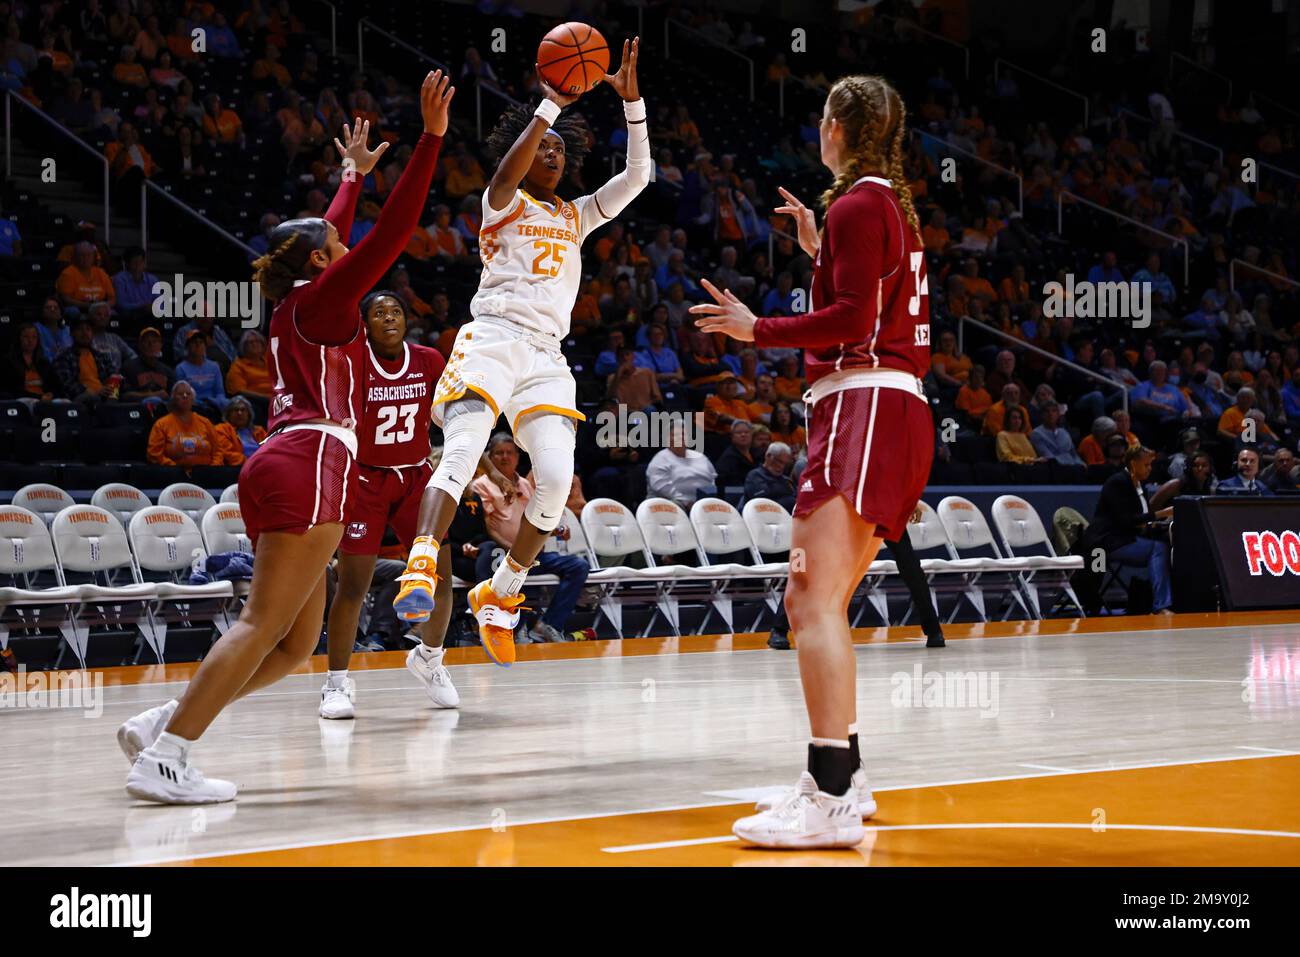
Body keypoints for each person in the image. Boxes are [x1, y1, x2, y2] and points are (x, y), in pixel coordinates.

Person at [116, 72, 452, 804]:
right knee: (262, 621)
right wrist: (430, 141)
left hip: (282, 460)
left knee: (296, 643)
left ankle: (166, 722)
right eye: (337, 241)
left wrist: (350, 178)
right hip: (313, 460)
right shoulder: (328, 298)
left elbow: (325, 233)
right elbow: (392, 235)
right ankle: (168, 756)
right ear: (324, 263)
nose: (344, 239)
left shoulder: (297, 300)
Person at [691, 74, 933, 848]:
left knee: (808, 600)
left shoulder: (860, 205)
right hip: (885, 409)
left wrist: (752, 326)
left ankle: (828, 796)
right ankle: (844, 778)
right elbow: (872, 300)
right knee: (823, 601)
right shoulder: (880, 207)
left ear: (836, 124)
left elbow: (853, 319)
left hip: (863, 406)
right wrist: (819, 248)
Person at [392, 40, 648, 668]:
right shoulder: (502, 202)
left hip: (545, 356)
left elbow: (638, 177)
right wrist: (549, 108)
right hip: (493, 337)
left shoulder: (577, 215)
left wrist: (632, 102)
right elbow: (507, 172)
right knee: (460, 449)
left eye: (561, 150)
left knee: (556, 480)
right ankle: (421, 563)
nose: (553, 156)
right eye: (545, 148)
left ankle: (501, 594)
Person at [322, 291, 495, 717]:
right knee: (353, 585)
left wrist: (487, 467)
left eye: (395, 311)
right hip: (366, 480)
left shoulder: (429, 361)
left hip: (417, 477)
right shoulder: (352, 361)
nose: (389, 318)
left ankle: (430, 659)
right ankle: (336, 684)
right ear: (364, 323)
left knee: (439, 574)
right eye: (379, 313)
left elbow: (461, 418)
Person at [470, 434, 591, 644]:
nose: (505, 457)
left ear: (517, 457)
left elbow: (537, 520)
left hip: (532, 554)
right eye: (499, 453)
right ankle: (514, 629)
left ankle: (548, 624)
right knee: (518, 570)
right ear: (490, 456)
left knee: (578, 566)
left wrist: (556, 530)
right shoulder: (481, 485)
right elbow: (488, 528)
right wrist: (516, 553)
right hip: (501, 555)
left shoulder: (525, 484)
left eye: (509, 453)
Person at [1083, 445, 1172, 613]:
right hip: (1104, 542)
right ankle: (1161, 606)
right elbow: (1125, 520)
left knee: (1165, 542)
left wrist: (1157, 523)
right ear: (1133, 464)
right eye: (1146, 465)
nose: (1149, 469)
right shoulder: (1118, 482)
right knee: (1159, 549)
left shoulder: (1140, 486)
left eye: (1150, 464)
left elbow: (1138, 521)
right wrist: (1160, 513)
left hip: (1122, 538)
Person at [147, 381, 221, 468]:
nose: (185, 396)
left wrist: (213, 469)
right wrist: (177, 470)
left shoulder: (205, 423)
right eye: (180, 394)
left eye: (188, 394)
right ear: (173, 398)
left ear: (193, 399)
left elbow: (218, 452)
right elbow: (154, 454)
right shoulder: (161, 424)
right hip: (173, 475)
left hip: (206, 475)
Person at [646, 421, 716, 508]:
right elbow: (661, 487)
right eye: (675, 435)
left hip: (701, 503)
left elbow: (712, 479)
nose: (680, 437)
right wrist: (686, 502)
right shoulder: (659, 459)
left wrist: (708, 499)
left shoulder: (700, 457)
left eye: (683, 434)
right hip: (669, 503)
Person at [120, 327, 175, 407]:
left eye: (155, 341)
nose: (151, 344)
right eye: (146, 341)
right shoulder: (128, 367)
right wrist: (150, 395)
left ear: (160, 346)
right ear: (139, 345)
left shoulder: (168, 371)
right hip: (137, 410)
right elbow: (124, 396)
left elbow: (175, 396)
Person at [214, 396, 266, 466]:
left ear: (249, 414)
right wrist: (252, 463)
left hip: (263, 464)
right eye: (235, 410)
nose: (239, 413)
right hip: (239, 468)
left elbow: (271, 448)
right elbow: (228, 453)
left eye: (243, 410)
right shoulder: (221, 429)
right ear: (228, 414)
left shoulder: (259, 430)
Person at [743, 441, 795, 509]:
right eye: (779, 461)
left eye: (785, 464)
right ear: (768, 456)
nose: (782, 467)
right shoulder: (754, 476)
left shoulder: (786, 480)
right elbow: (762, 502)